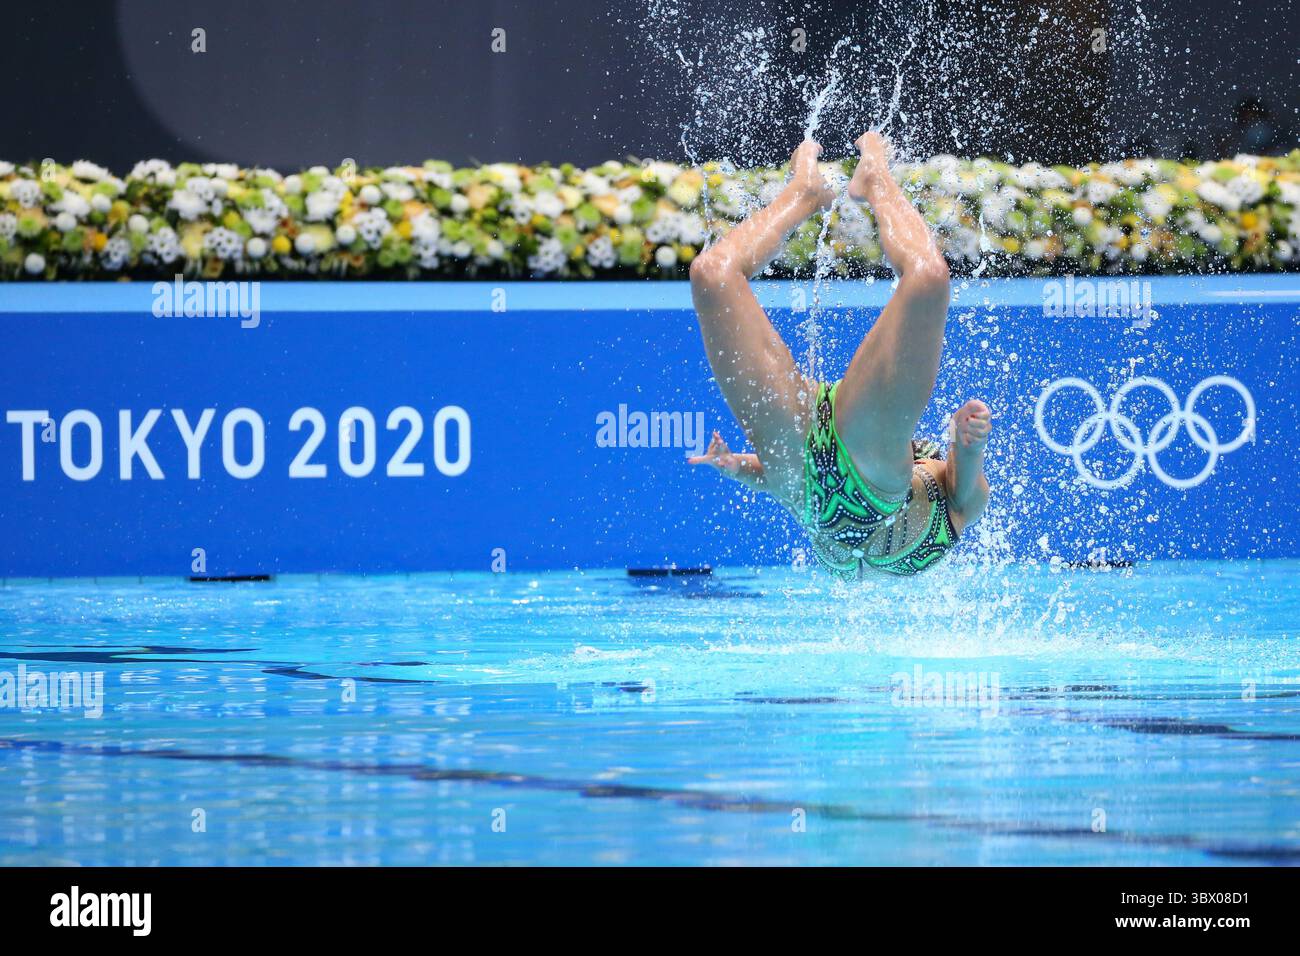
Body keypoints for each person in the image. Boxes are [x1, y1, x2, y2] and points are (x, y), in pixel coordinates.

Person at [687, 132, 991, 578]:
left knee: (711, 275)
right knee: (927, 277)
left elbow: (782, 481)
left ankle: (802, 193)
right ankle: (876, 179)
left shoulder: (948, 506)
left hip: (800, 478)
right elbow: (967, 483)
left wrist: (736, 467)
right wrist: (972, 443)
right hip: (871, 471)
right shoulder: (958, 500)